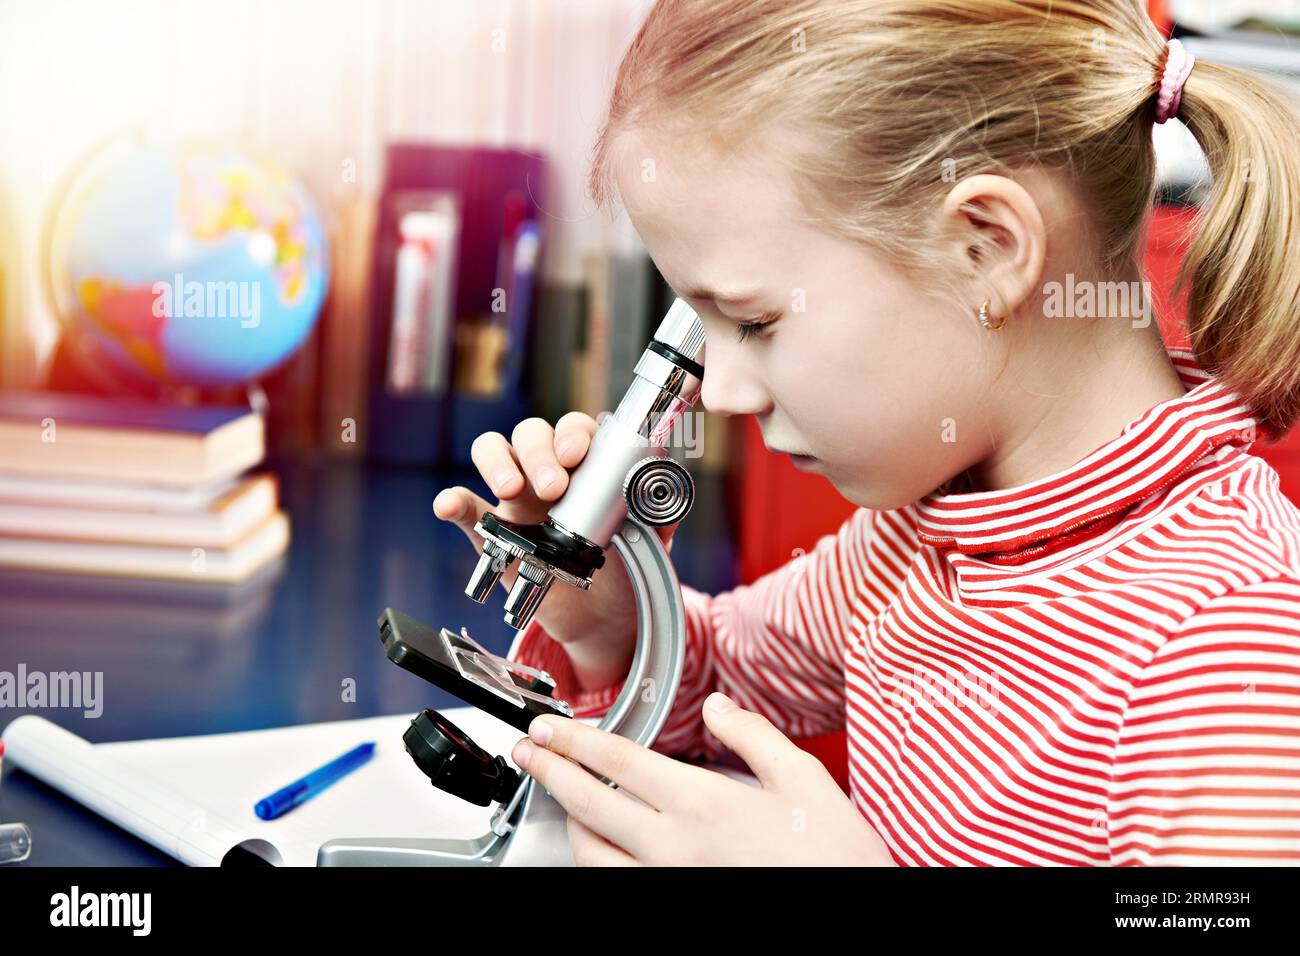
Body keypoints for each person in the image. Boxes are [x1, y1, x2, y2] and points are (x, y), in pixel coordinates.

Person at [434, 0, 1300, 866]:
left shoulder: (1226, 644)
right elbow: (722, 679)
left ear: (987, 251)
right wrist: (613, 623)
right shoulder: (922, 534)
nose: (723, 395)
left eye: (755, 321)